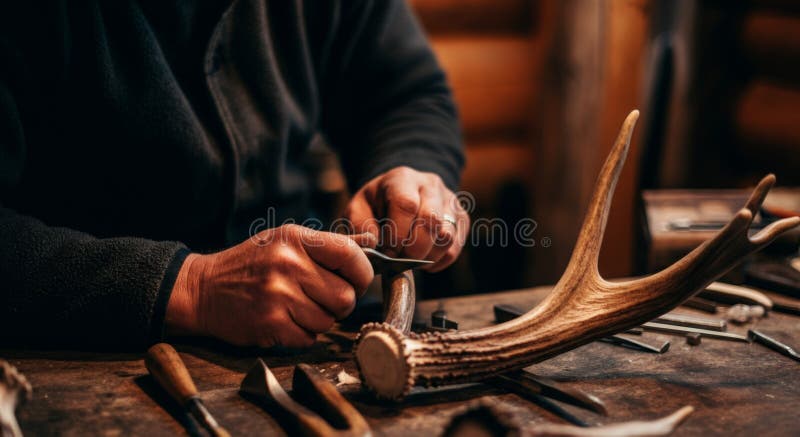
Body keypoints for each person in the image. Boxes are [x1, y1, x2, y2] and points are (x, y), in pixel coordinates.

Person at [0, 1, 468, 349]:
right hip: (76, 345)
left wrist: (411, 166)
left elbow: (406, 95)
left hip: (304, 328)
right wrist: (191, 287)